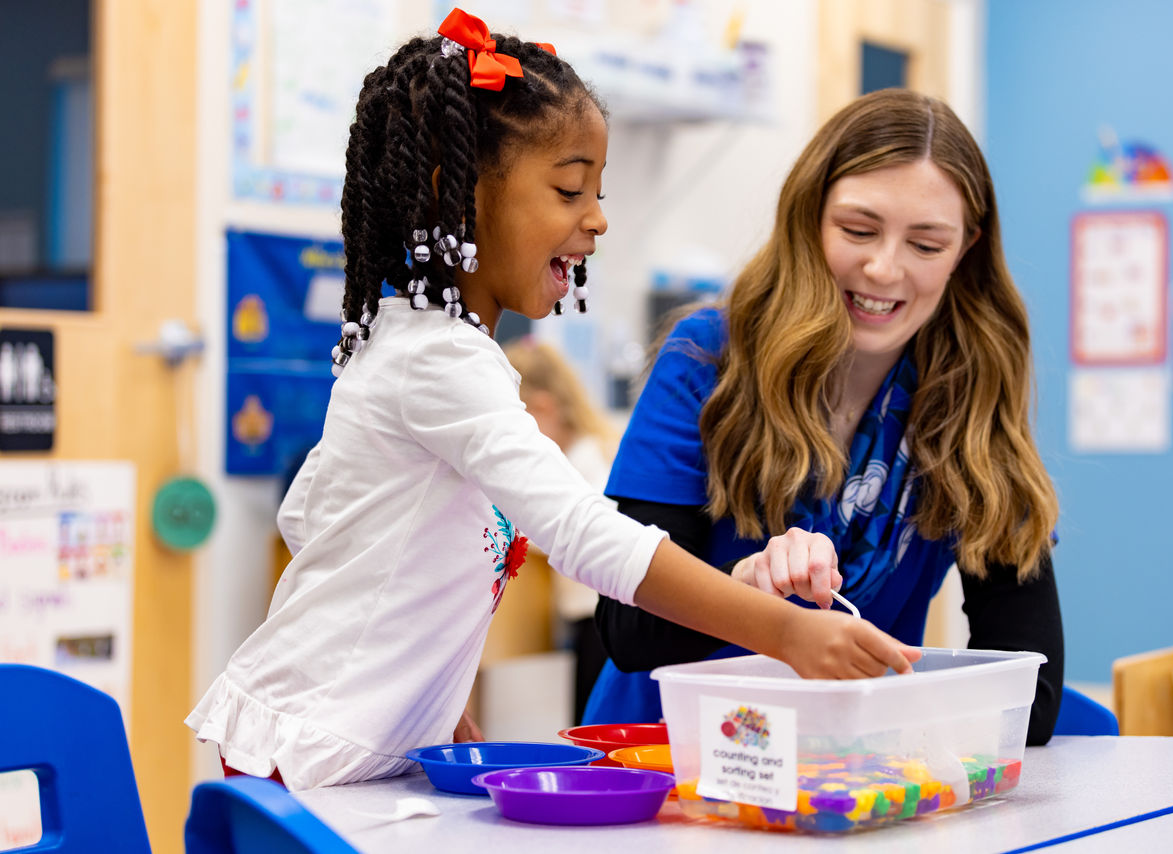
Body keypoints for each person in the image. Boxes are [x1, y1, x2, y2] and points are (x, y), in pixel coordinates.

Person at [186, 9, 920, 792]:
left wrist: (428, 699)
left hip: (353, 744)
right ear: (454, 194)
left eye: (597, 192)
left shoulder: (426, 347)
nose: (598, 219)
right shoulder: (437, 357)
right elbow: (584, 537)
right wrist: (784, 633)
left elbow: (319, 519)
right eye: (571, 189)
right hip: (313, 752)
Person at [590, 88, 1065, 745]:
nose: (883, 267)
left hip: (851, 776)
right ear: (809, 217)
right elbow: (627, 632)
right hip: (668, 767)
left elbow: (1031, 698)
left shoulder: (969, 397)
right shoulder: (708, 361)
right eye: (858, 230)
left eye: (927, 244)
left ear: (965, 252)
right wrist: (746, 585)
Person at [503, 337, 615, 725]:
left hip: (600, 620)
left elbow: (574, 527)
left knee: (591, 721)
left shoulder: (584, 458)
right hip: (589, 619)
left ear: (545, 407)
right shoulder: (584, 452)